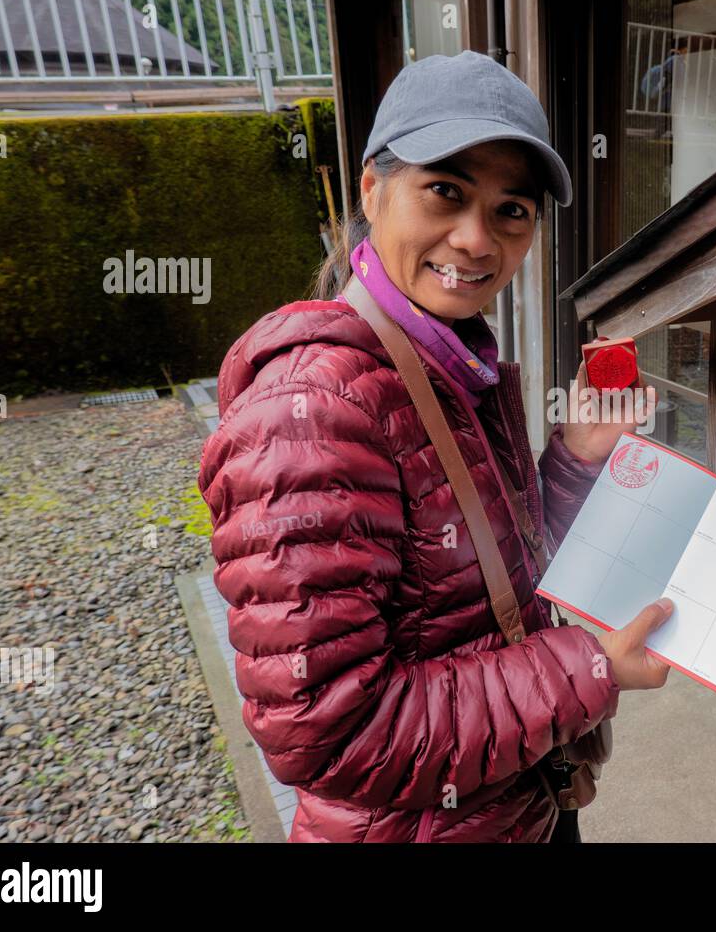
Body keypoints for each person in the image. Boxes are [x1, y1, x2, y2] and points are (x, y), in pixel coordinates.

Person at [197, 50, 673, 843]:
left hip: (516, 804)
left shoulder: (448, 361)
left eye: (511, 210)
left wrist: (575, 460)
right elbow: (326, 730)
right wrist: (587, 670)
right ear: (372, 191)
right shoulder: (310, 411)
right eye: (445, 191)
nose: (476, 239)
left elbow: (483, 584)